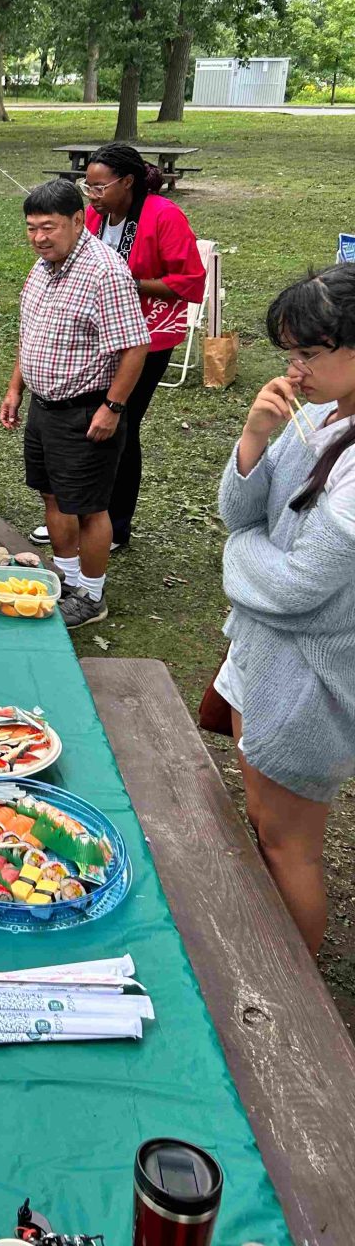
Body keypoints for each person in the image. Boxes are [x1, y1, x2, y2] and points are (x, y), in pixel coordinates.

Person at [215, 266, 355, 956]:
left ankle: (297, 999)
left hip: (310, 687)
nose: (294, 369)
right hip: (263, 658)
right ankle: (267, 961)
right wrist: (254, 437)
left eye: (309, 352)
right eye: (289, 353)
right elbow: (238, 512)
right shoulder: (322, 415)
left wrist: (238, 556)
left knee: (289, 846)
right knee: (264, 825)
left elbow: (301, 584)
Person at [30, 143, 205, 549]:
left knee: (120, 424)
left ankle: (113, 522)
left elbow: (190, 280)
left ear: (127, 182)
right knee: (77, 427)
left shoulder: (164, 215)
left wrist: (131, 283)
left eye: (99, 187)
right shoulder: (94, 216)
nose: (92, 196)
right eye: (87, 187)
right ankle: (71, 513)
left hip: (148, 336)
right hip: (96, 336)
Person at [0, 180, 149, 629]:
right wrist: (15, 389)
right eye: (31, 228)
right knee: (53, 497)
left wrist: (112, 408)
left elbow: (135, 346)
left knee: (89, 507)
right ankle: (65, 580)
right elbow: (30, 334)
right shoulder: (43, 267)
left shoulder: (105, 272)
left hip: (86, 411)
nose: (39, 237)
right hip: (44, 407)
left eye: (49, 227)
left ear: (78, 221)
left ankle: (92, 595)